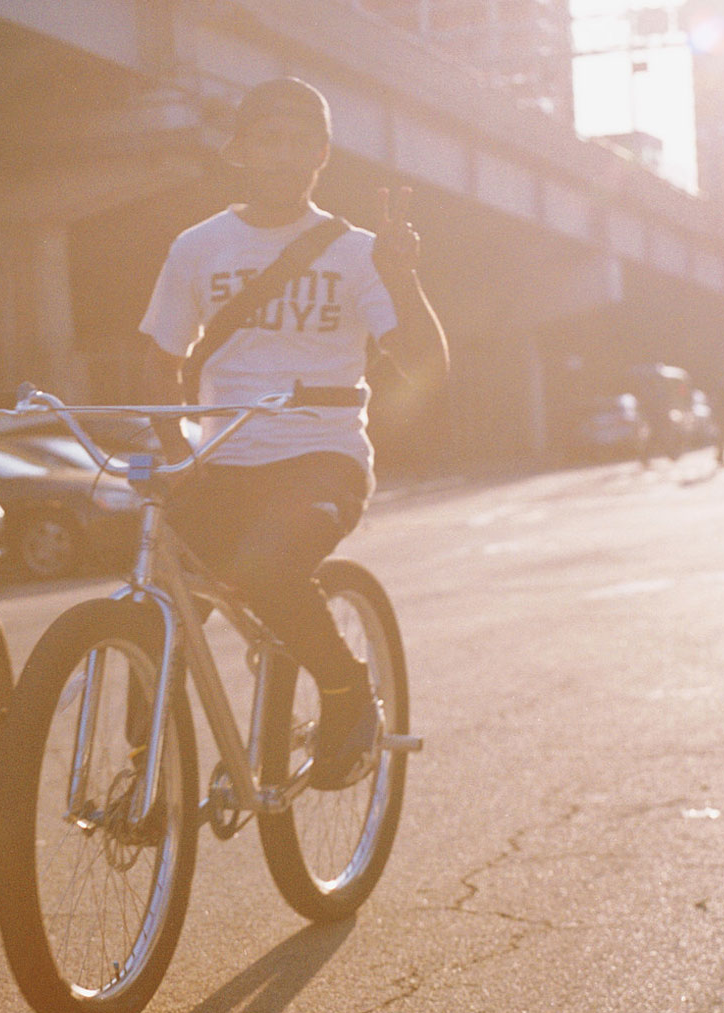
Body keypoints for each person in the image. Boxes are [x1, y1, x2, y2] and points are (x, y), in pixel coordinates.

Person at [139, 77, 448, 786]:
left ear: (322, 155)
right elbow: (159, 362)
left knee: (268, 567)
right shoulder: (196, 247)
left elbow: (425, 364)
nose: (282, 155)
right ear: (239, 150)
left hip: (321, 456)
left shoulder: (359, 252)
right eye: (267, 139)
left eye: (299, 141)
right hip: (221, 462)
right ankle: (144, 778)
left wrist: (402, 278)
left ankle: (347, 690)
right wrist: (177, 455)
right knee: (158, 609)